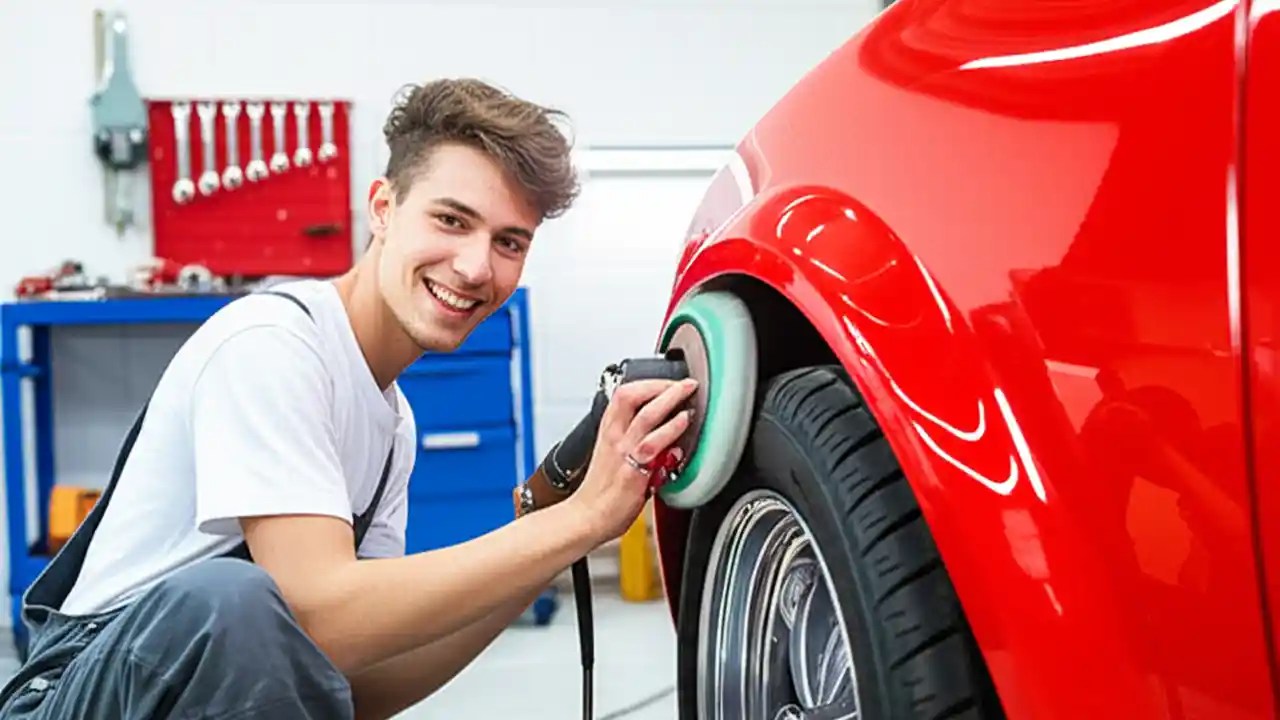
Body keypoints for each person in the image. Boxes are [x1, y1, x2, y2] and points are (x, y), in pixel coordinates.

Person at [0, 78, 697, 720]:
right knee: (235, 603)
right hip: (75, 691)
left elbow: (357, 675)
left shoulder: (393, 426)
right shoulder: (273, 344)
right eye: (452, 220)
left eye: (508, 242)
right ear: (383, 209)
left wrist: (543, 547)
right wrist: (578, 523)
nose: (477, 266)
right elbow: (319, 617)